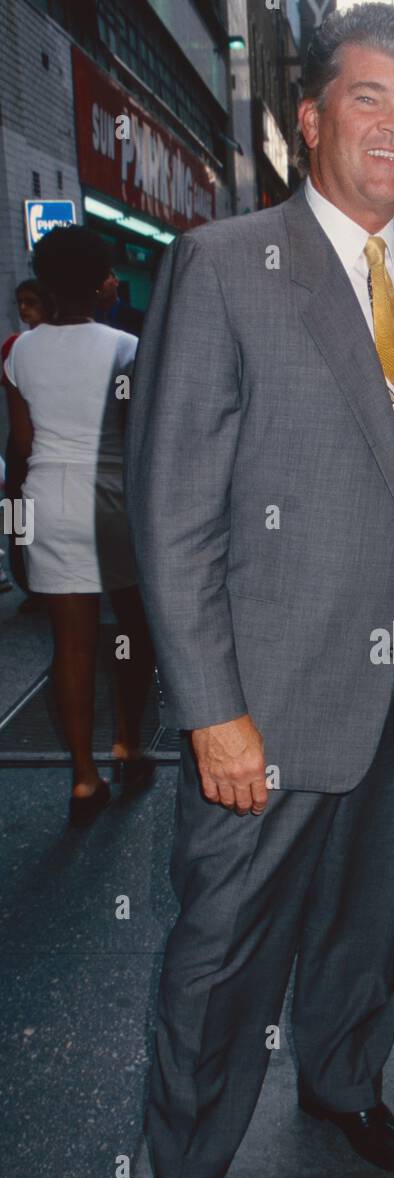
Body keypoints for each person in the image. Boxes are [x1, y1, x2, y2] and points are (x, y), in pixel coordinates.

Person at [124, 2, 394, 1178]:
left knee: (368, 927)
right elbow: (169, 512)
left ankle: (341, 1086)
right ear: (309, 117)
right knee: (219, 954)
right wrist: (213, 708)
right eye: (369, 99)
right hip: (263, 708)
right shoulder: (223, 264)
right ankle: (184, 1171)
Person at [3, 228, 155, 825]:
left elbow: (21, 444)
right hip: (112, 499)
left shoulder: (18, 352)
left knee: (71, 645)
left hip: (47, 498)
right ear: (99, 283)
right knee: (131, 630)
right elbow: (138, 434)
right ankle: (127, 744)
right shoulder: (125, 348)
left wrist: (16, 523)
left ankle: (84, 779)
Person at [1, 279, 53, 598]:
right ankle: (24, 578)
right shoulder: (13, 345)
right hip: (20, 441)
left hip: (47, 438)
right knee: (17, 514)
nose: (24, 309)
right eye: (20, 302)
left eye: (31, 302)